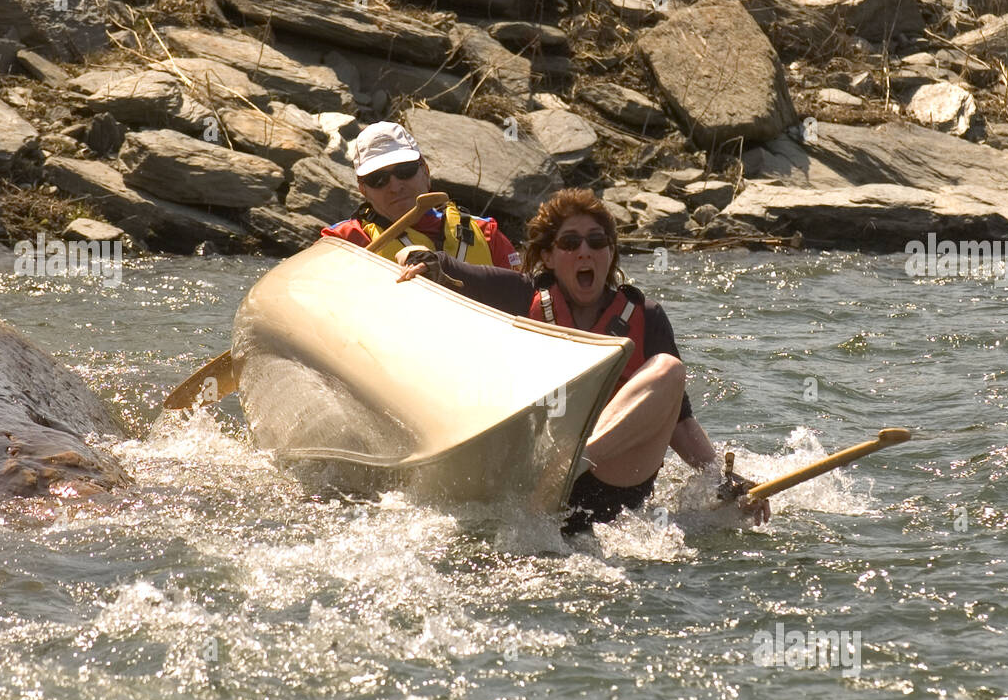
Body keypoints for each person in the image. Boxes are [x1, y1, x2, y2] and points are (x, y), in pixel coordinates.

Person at [394, 187, 771, 532]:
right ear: (548, 256)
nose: (584, 252)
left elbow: (680, 425)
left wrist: (725, 485)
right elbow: (434, 262)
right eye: (570, 243)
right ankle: (560, 471)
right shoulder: (519, 293)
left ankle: (575, 462)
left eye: (596, 241)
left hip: (612, 484)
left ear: (610, 252)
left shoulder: (647, 315)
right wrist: (418, 257)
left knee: (669, 371)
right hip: (535, 479)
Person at [321, 121, 522, 269]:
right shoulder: (342, 241)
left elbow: (524, 300)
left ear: (425, 171)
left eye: (405, 171)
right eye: (378, 179)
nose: (395, 186)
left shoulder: (486, 233)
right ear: (363, 189)